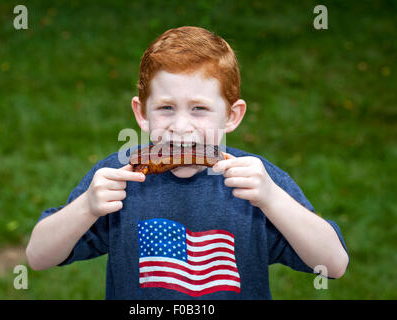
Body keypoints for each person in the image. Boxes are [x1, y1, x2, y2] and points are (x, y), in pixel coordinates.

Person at [26, 26, 349, 299]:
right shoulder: (120, 177)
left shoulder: (257, 182)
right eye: (166, 108)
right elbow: (38, 256)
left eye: (199, 109)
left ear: (231, 116)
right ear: (141, 114)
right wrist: (87, 207)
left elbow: (333, 264)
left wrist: (272, 199)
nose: (181, 127)